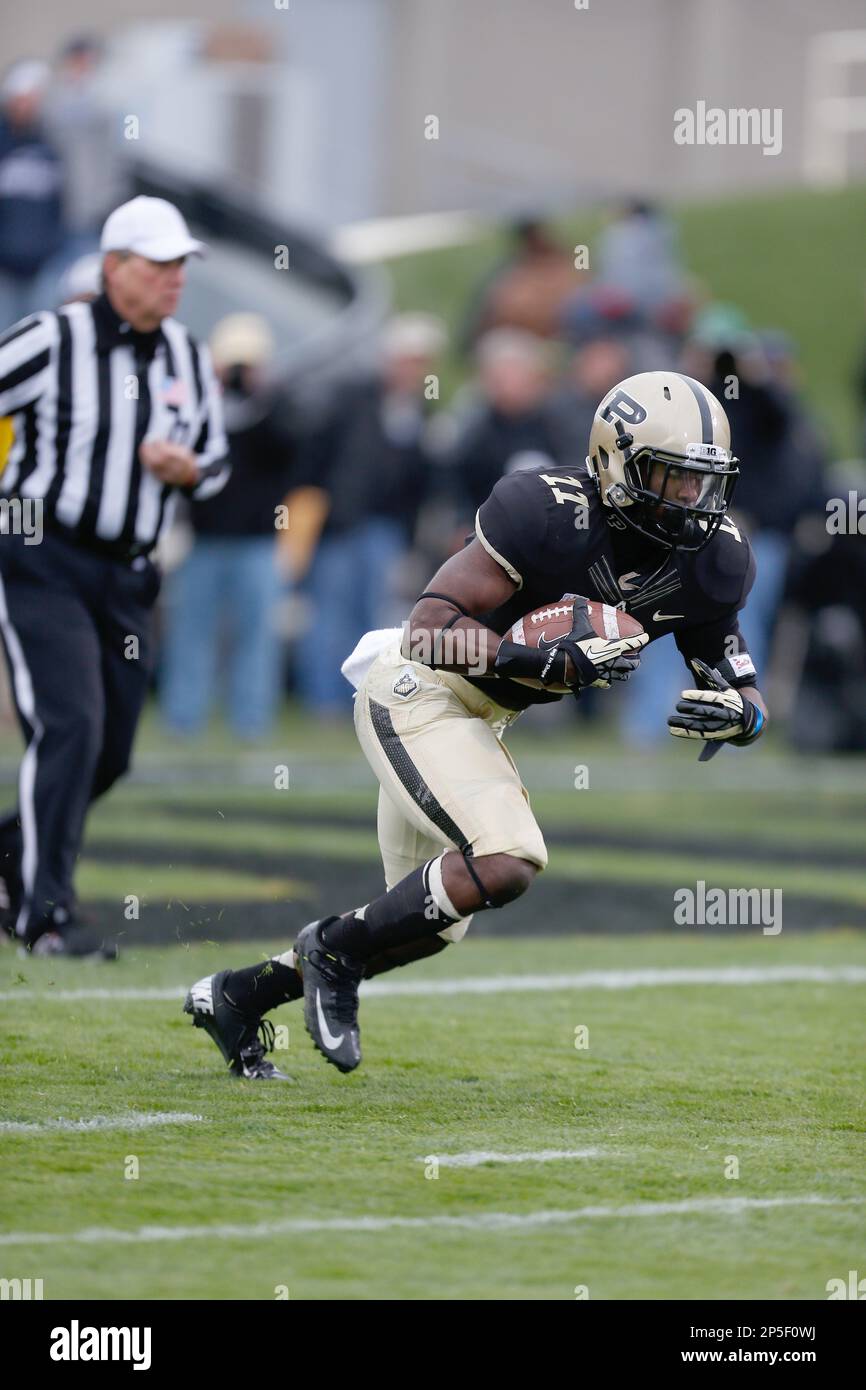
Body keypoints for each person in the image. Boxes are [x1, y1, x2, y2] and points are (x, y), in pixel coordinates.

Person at [183, 371, 767, 1081]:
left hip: (485, 716)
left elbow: (735, 676)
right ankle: (330, 954)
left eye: (704, 482)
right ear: (616, 463)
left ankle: (237, 995)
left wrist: (742, 715)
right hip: (420, 690)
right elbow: (428, 629)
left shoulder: (716, 559)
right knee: (506, 860)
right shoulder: (545, 511)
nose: (691, 501)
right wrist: (535, 657)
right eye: (673, 479)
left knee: (427, 923)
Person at [0, 195, 229, 956]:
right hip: (44, 559)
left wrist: (187, 468)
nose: (174, 279)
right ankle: (44, 918)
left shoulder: (187, 357)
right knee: (70, 726)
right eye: (158, 264)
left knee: (111, 752)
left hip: (129, 577)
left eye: (180, 266)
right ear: (112, 268)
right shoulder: (50, 338)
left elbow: (218, 463)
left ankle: (13, 863)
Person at [296, 313, 445, 717]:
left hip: (386, 528)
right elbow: (319, 457)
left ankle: (365, 700)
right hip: (341, 526)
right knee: (331, 614)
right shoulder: (353, 398)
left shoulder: (419, 411)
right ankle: (325, 702)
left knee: (375, 616)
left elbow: (419, 480)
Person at [160, 313, 297, 739]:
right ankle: (184, 718)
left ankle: (251, 719)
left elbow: (289, 451)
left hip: (257, 542)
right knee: (192, 632)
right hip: (204, 540)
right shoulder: (200, 405)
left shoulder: (277, 407)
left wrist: (260, 398)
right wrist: (213, 393)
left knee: (257, 635)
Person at [0, 61, 65, 328]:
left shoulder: (48, 145)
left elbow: (58, 204)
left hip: (41, 261)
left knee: (37, 335)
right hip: (5, 265)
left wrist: (52, 243)